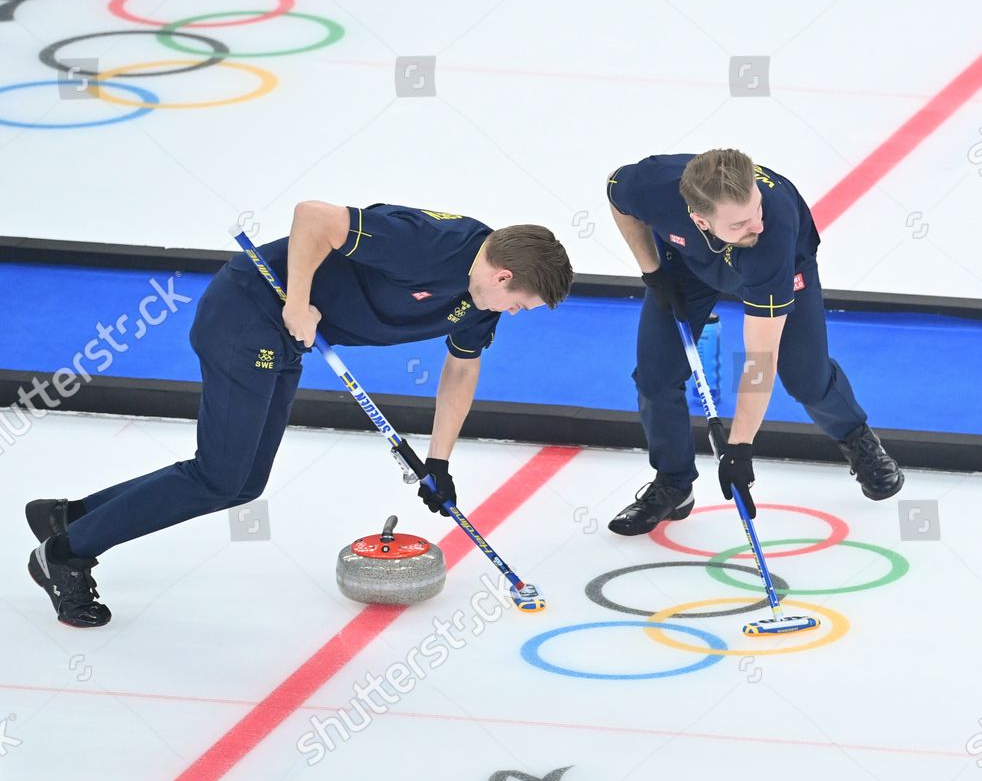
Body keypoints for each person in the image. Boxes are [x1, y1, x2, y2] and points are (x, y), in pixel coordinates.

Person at [26, 202, 573, 627]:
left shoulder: (481, 302)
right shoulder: (428, 242)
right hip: (250, 311)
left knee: (242, 483)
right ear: (503, 276)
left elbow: (461, 371)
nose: (515, 314)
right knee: (220, 476)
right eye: (520, 303)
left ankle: (70, 518)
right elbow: (314, 217)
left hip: (288, 338)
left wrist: (438, 461)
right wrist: (296, 301)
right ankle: (65, 554)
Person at [605, 148, 903, 535]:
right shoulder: (652, 184)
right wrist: (653, 272)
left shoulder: (771, 233)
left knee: (806, 378)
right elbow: (616, 194)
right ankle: (673, 484)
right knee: (655, 377)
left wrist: (739, 448)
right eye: (741, 222)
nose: (756, 224)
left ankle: (856, 437)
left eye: (756, 208)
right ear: (700, 220)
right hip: (687, 265)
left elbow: (760, 358)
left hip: (782, 270)